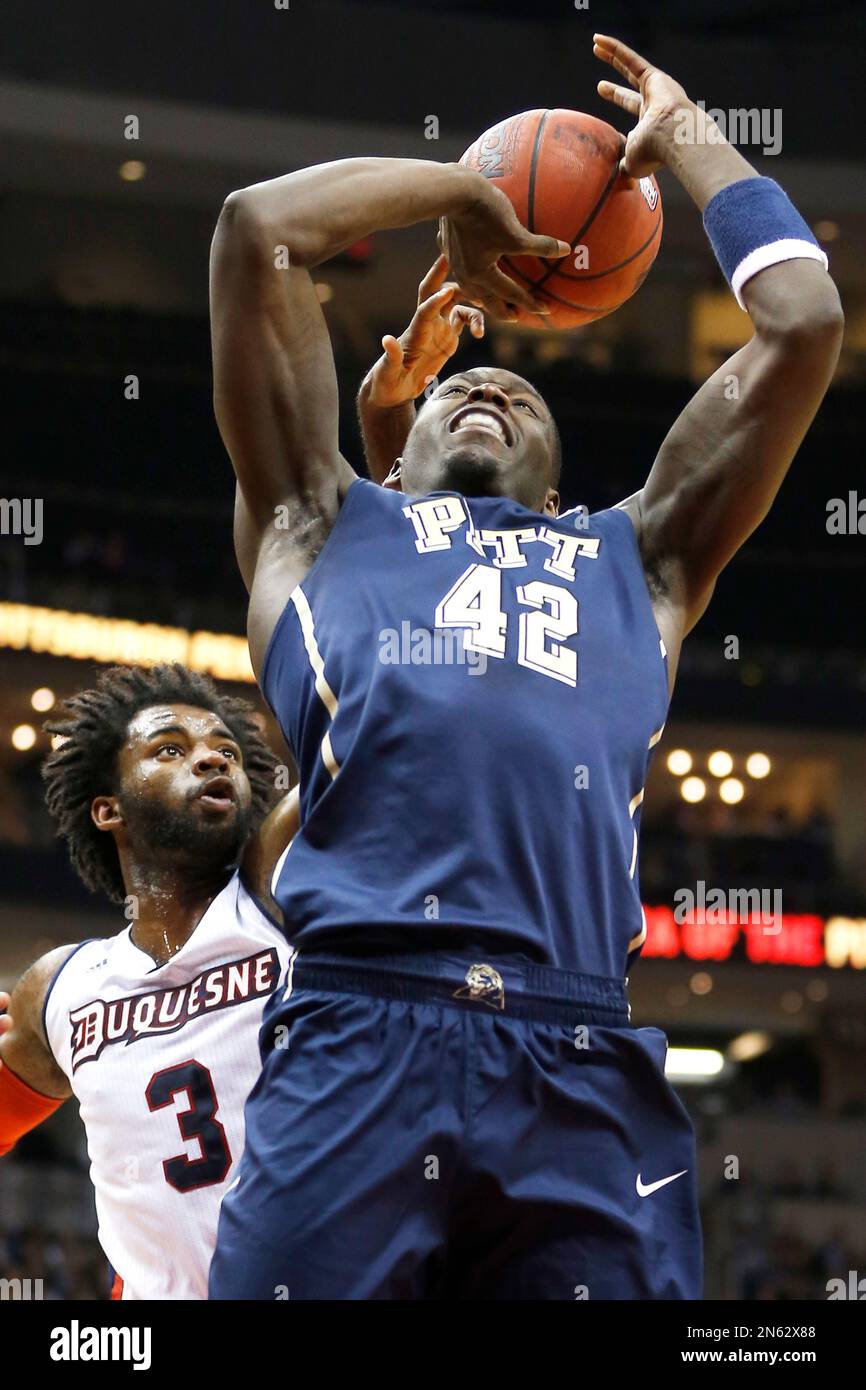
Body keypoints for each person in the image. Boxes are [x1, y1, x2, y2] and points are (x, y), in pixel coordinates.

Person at [207, 34, 842, 1299]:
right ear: (401, 439)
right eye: (460, 388)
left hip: (574, 1046)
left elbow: (803, 323)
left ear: (560, 476)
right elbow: (254, 229)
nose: (485, 391)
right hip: (359, 1018)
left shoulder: (641, 560)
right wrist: (459, 193)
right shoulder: (322, 524)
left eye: (521, 395)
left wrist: (692, 139)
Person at [0, 663, 297, 1299]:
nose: (213, 761)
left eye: (227, 752)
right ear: (107, 809)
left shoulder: (282, 896)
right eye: (171, 749)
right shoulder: (60, 988)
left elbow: (361, 753)